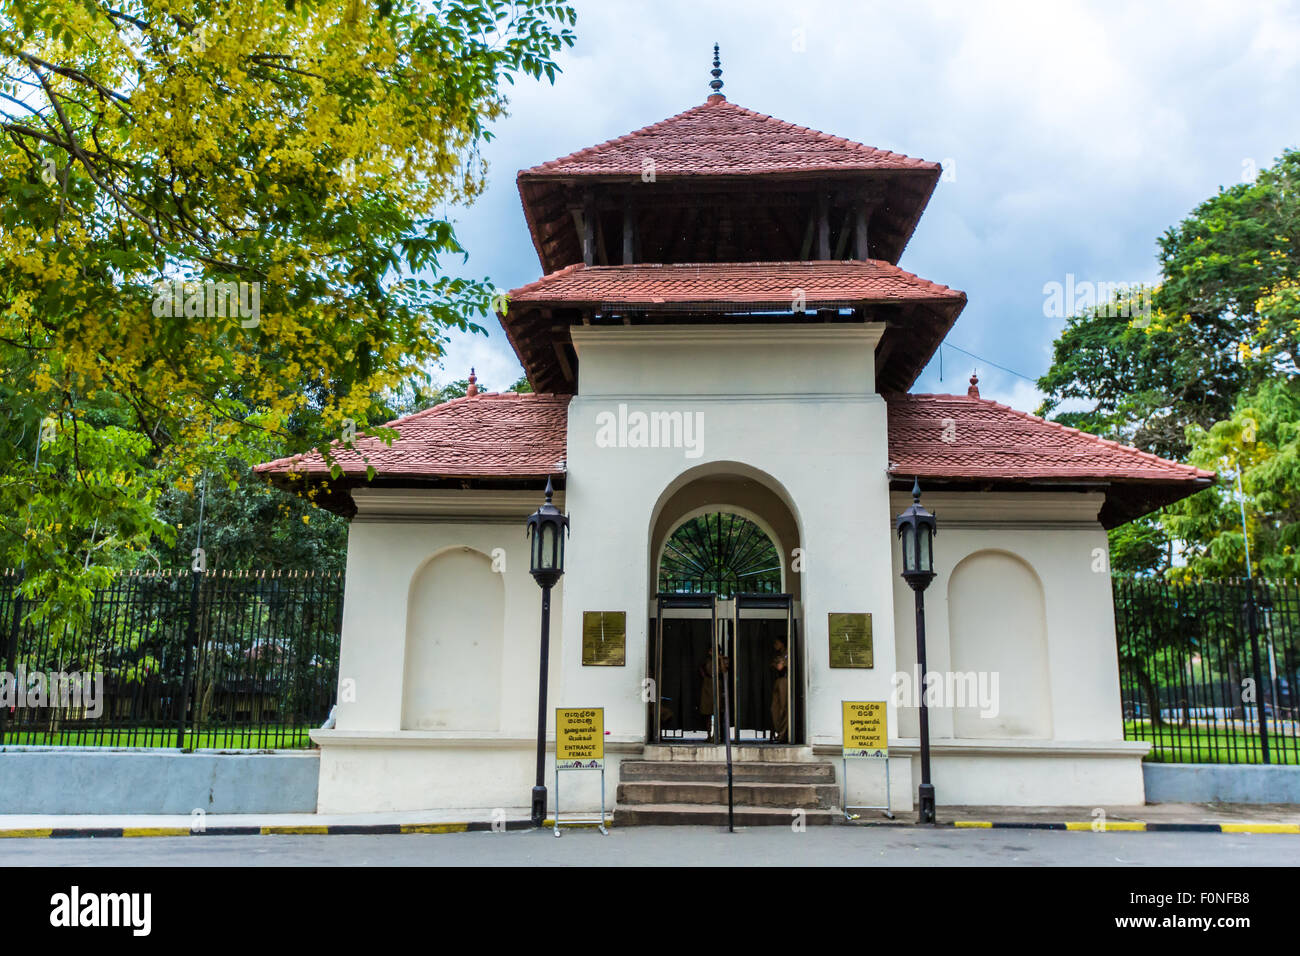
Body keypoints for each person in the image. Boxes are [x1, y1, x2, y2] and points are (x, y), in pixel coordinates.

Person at [770, 653, 788, 743]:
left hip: (784, 680)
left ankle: (782, 734)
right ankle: (779, 732)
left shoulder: (786, 655)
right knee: (775, 709)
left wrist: (779, 664)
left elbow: (780, 667)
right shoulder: (781, 655)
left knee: (783, 708)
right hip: (778, 680)